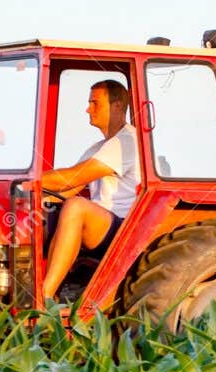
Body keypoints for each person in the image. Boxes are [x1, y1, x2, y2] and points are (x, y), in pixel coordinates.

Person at [39, 80, 141, 301]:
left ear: (117, 106)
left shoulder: (127, 141)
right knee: (42, 211)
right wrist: (32, 199)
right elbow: (67, 189)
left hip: (124, 231)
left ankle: (43, 297)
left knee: (76, 207)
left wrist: (28, 180)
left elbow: (71, 177)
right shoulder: (99, 148)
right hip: (103, 225)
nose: (88, 109)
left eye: (95, 103)